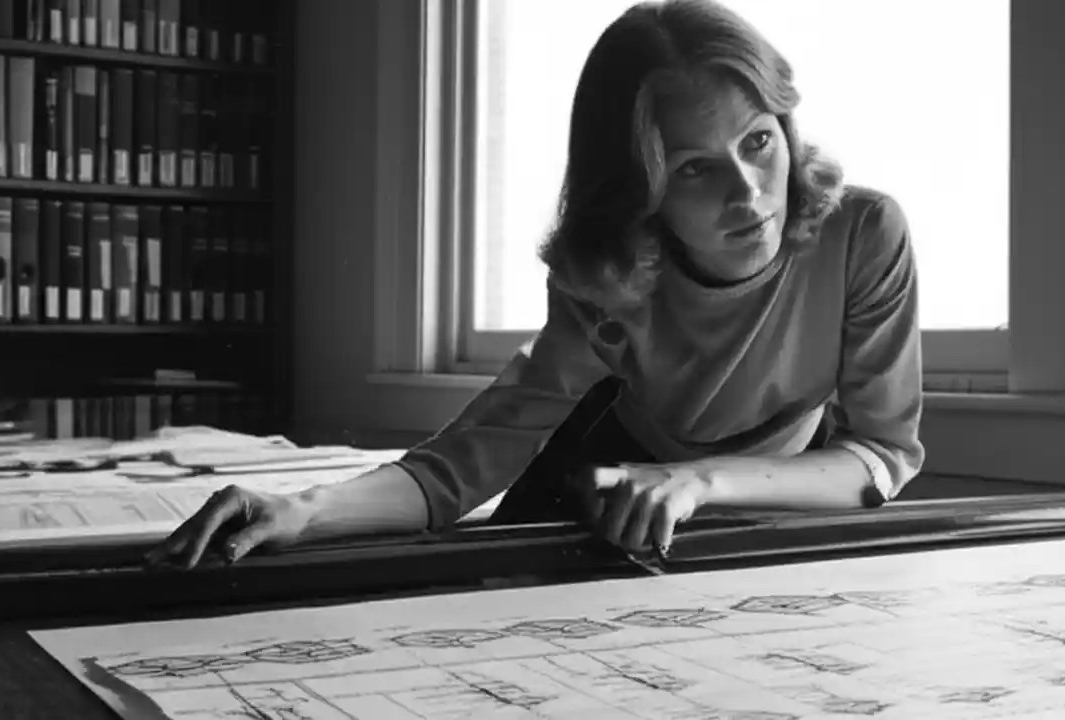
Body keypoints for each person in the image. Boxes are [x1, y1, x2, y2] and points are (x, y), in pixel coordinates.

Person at [146, 0, 924, 570]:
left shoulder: (863, 233)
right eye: (693, 168)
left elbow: (882, 456)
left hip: (766, 492)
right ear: (640, 187)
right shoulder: (608, 277)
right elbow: (458, 470)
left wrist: (698, 481)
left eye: (758, 142)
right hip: (601, 491)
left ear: (785, 127)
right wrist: (302, 511)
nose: (749, 194)